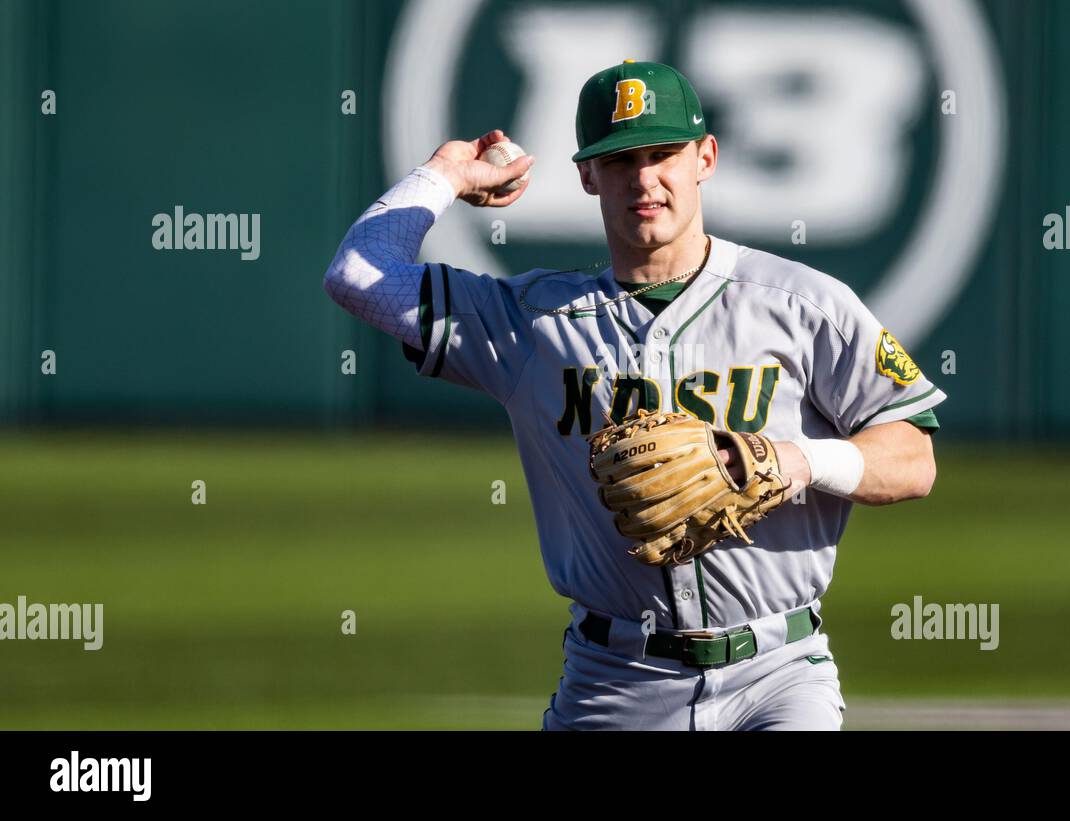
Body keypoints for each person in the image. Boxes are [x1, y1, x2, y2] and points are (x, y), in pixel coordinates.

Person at [323, 59, 946, 730]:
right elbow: (358, 275)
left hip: (779, 672)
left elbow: (914, 458)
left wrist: (799, 460)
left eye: (662, 153)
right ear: (587, 175)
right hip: (614, 682)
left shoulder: (801, 304)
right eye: (619, 160)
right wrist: (445, 174)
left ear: (705, 157)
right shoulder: (530, 322)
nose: (644, 179)